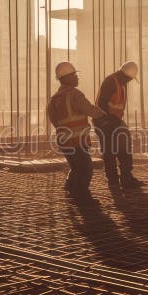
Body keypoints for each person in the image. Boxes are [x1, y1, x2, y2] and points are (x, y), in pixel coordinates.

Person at [48, 62, 110, 200]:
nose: (77, 78)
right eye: (74, 75)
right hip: (76, 141)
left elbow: (54, 120)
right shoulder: (74, 94)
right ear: (66, 78)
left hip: (63, 141)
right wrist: (103, 115)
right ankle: (80, 196)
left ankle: (70, 189)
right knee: (85, 169)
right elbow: (89, 109)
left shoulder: (54, 99)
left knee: (76, 168)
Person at [93, 61, 144, 189]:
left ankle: (126, 178)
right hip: (104, 122)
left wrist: (116, 121)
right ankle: (113, 181)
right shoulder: (110, 82)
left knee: (124, 148)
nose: (130, 81)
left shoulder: (121, 83)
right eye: (130, 79)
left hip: (114, 121)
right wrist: (108, 121)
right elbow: (101, 104)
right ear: (126, 76)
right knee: (109, 152)